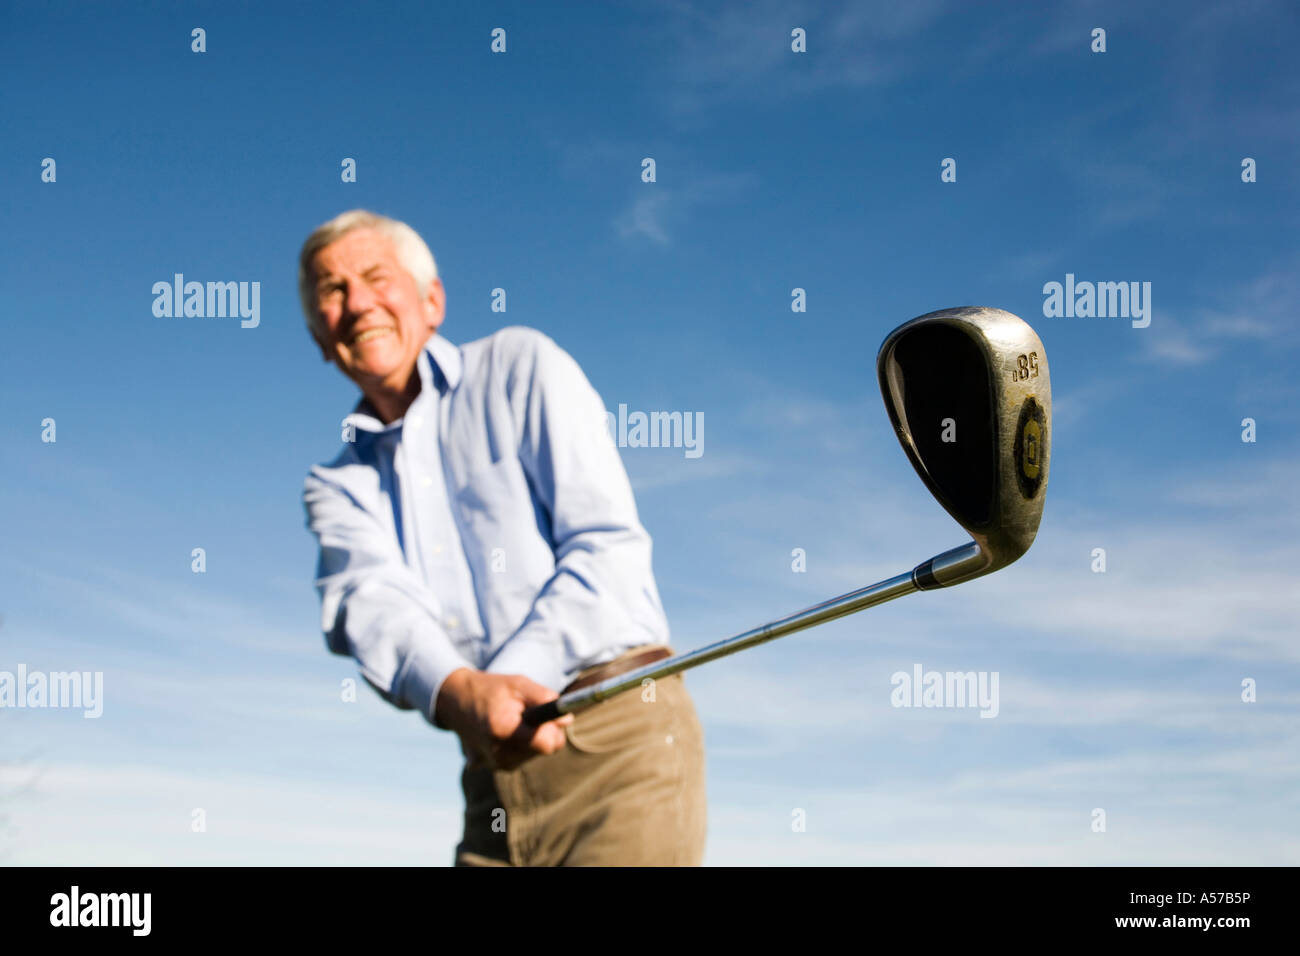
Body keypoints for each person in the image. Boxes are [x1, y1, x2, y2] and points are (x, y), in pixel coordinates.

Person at [298, 209, 707, 866]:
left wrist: (501, 687)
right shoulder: (336, 484)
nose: (356, 303)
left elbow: (605, 545)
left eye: (376, 277)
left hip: (619, 736)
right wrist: (465, 697)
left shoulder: (520, 365)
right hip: (488, 768)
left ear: (432, 300)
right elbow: (371, 602)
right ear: (319, 335)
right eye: (331, 290)